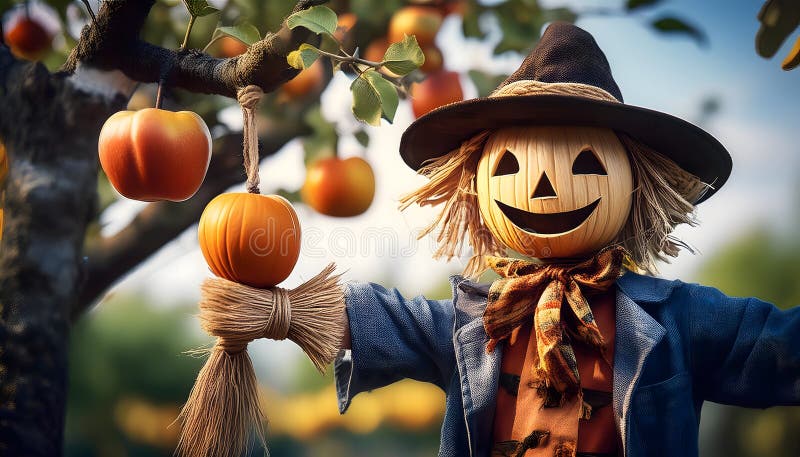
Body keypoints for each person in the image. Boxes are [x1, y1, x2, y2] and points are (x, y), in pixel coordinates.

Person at [332, 22, 800, 457]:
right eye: (510, 166)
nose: (544, 188)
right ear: (476, 186)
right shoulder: (475, 321)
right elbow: (389, 321)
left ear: (636, 184)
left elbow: (780, 346)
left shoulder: (678, 320)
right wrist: (284, 309)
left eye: (587, 164)